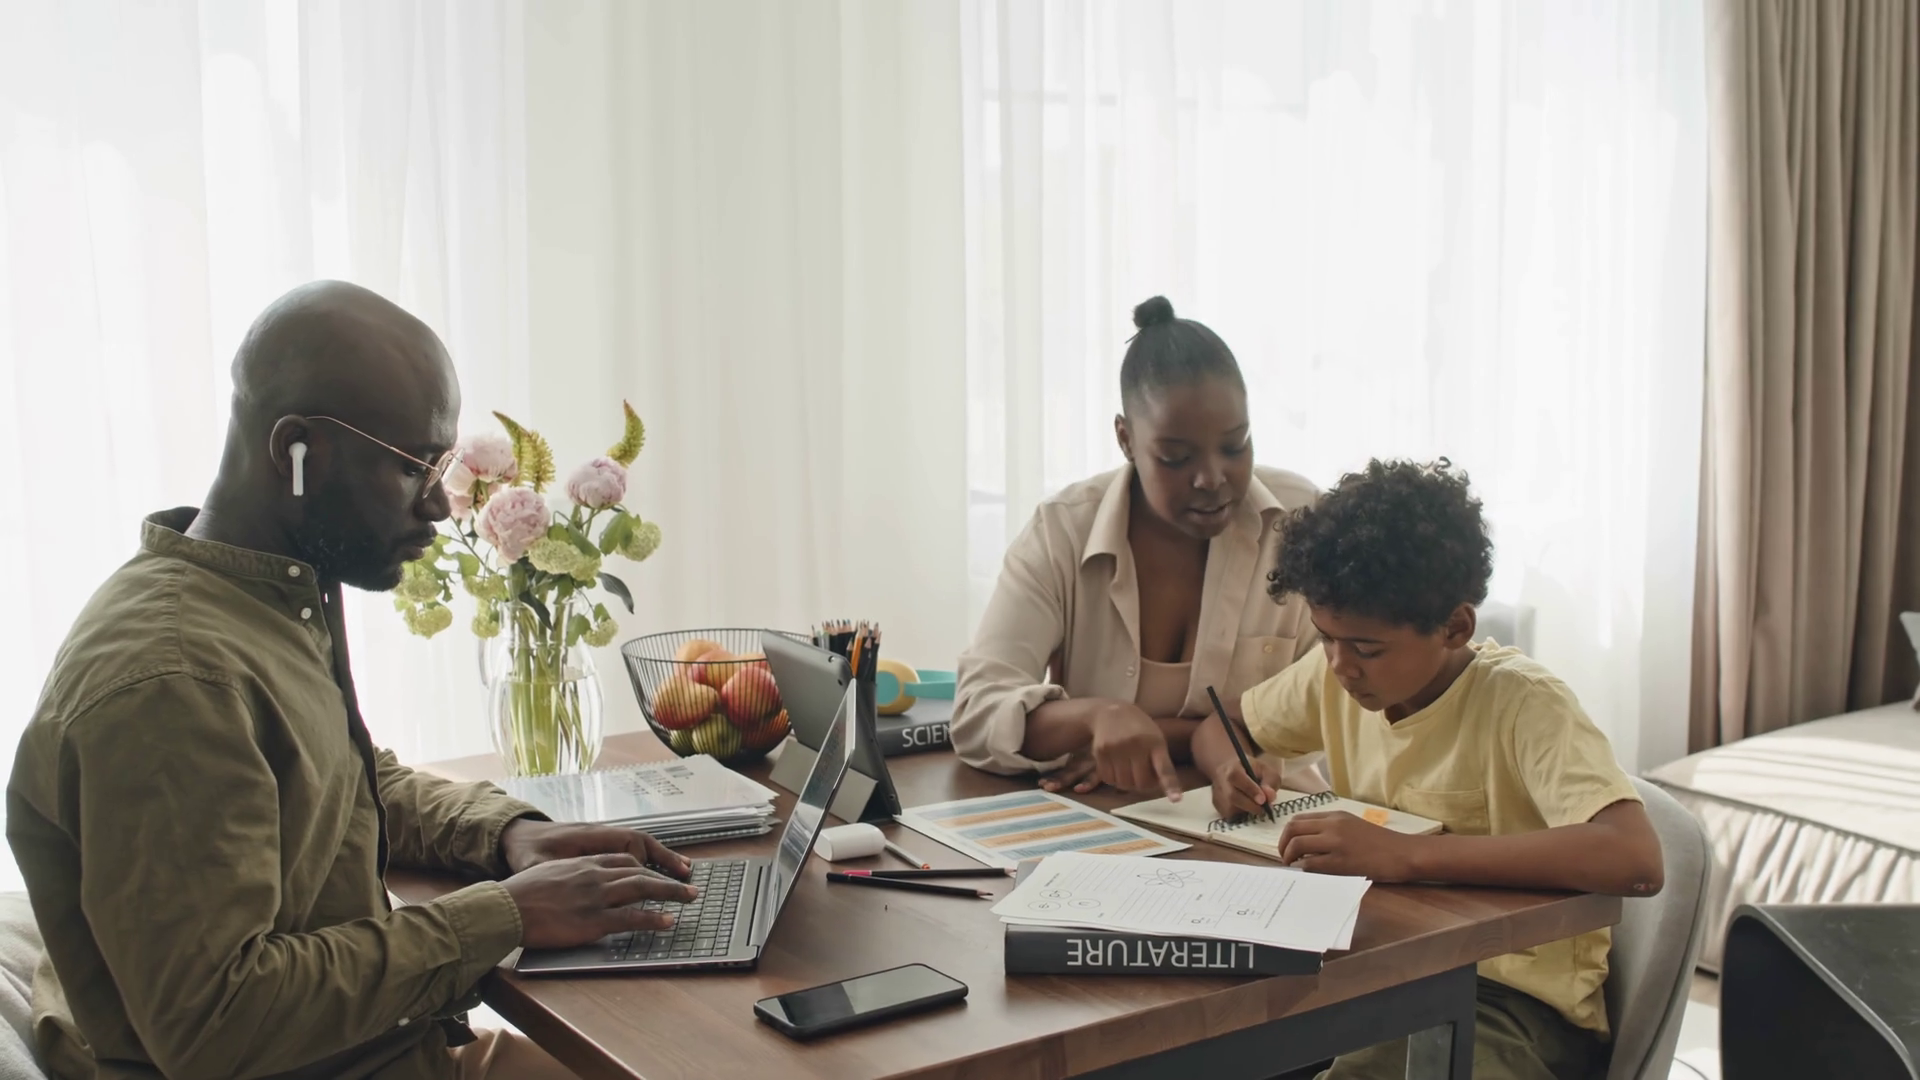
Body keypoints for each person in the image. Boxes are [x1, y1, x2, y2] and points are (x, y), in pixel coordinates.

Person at [7, 281, 698, 1080]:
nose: (440, 504)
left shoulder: (261, 595)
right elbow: (214, 1025)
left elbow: (342, 785)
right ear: (296, 451)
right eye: (414, 468)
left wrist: (508, 836)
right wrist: (505, 915)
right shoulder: (173, 682)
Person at [1194, 458, 1665, 1080]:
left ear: (1454, 626)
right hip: (1377, 974)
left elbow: (1634, 858)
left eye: (1365, 648)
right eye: (1325, 637)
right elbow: (1220, 725)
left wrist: (1407, 856)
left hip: (1510, 1006)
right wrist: (1230, 765)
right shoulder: (1335, 674)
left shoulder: (1525, 704)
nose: (1339, 665)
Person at [953, 296, 1320, 798]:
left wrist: (1160, 733)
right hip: (1105, 828)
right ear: (1125, 439)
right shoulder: (1063, 531)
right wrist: (1098, 716)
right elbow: (976, 713)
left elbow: (1339, 702)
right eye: (1175, 457)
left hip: (1269, 828)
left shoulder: (1302, 523)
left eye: (1236, 446)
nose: (1212, 478)